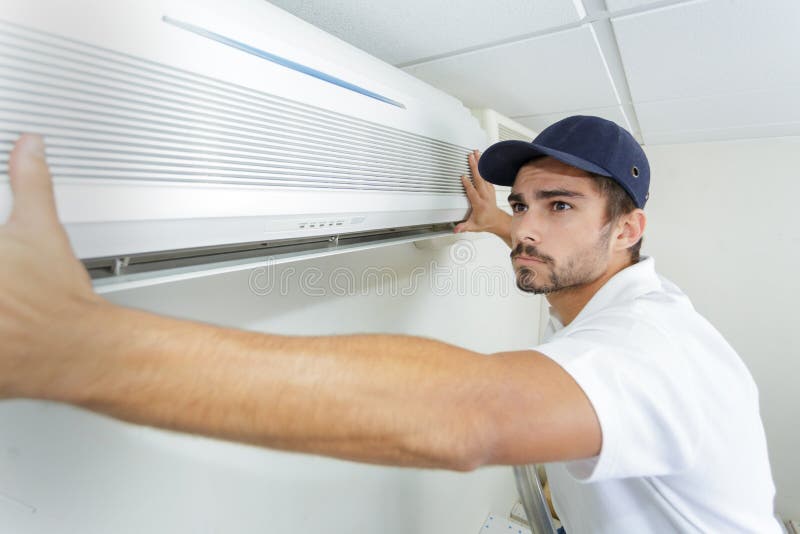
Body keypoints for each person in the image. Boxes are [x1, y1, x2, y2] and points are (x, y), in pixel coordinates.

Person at [0, 116, 779, 532]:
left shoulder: (656, 347)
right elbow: (546, 246)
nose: (530, 227)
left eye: (561, 205)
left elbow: (472, 416)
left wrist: (79, 345)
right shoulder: (598, 288)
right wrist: (498, 225)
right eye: (523, 203)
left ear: (630, 228)